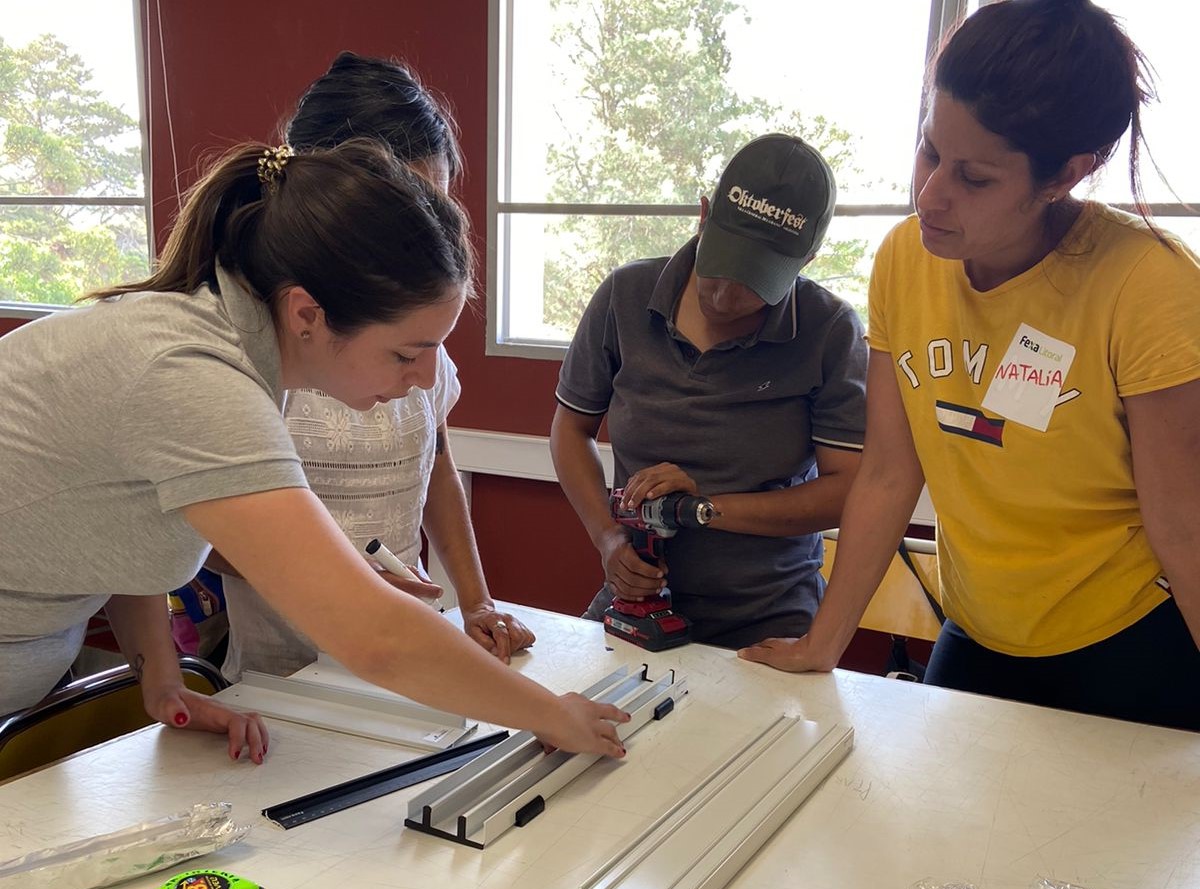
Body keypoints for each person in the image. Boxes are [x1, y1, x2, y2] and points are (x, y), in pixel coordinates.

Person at [0, 137, 630, 760]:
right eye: (407, 353)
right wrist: (550, 713)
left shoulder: (230, 342)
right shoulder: (192, 374)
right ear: (308, 314)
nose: (426, 378)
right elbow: (373, 634)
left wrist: (163, 683)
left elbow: (121, 511)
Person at [739, 0, 1200, 731]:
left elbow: (1183, 523)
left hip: (1128, 650)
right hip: (977, 633)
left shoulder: (1149, 283)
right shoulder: (902, 260)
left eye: (974, 177)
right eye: (928, 150)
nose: (930, 195)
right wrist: (822, 643)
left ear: (1068, 174)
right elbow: (890, 474)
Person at [215, 52, 534, 681]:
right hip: (280, 679)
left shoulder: (413, 335)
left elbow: (435, 458)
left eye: (438, 209)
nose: (429, 244)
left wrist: (477, 601)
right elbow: (212, 526)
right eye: (409, 217)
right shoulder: (253, 343)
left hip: (396, 664)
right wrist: (332, 575)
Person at [551, 134, 868, 650]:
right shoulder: (624, 296)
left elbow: (848, 489)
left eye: (754, 280)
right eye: (718, 264)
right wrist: (609, 540)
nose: (724, 295)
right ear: (703, 214)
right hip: (636, 602)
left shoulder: (829, 330)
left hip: (771, 618)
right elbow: (571, 428)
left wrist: (703, 509)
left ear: (806, 258)